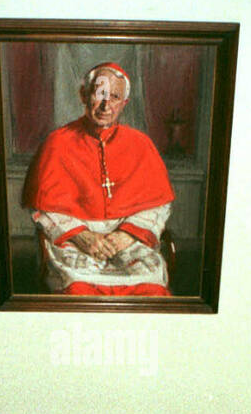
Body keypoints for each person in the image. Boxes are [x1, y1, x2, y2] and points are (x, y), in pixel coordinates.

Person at [21, 62, 176, 296]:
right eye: (100, 94)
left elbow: (158, 204)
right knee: (78, 292)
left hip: (129, 239)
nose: (106, 105)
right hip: (75, 239)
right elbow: (44, 207)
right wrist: (83, 237)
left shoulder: (141, 144)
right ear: (84, 96)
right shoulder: (57, 142)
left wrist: (125, 235)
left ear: (124, 103)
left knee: (151, 291)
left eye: (114, 97)